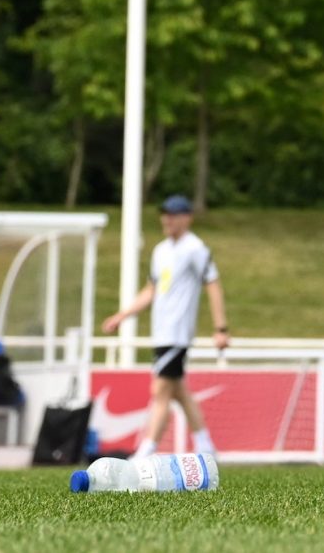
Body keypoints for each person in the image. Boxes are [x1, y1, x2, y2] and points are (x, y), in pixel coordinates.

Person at [98, 195, 229, 461]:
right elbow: (152, 290)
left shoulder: (195, 249)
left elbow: (212, 283)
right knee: (178, 390)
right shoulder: (160, 251)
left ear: (187, 218)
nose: (167, 219)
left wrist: (221, 328)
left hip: (177, 334)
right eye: (165, 214)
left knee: (159, 391)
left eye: (173, 214)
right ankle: (205, 446)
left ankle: (146, 450)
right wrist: (122, 315)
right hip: (162, 333)